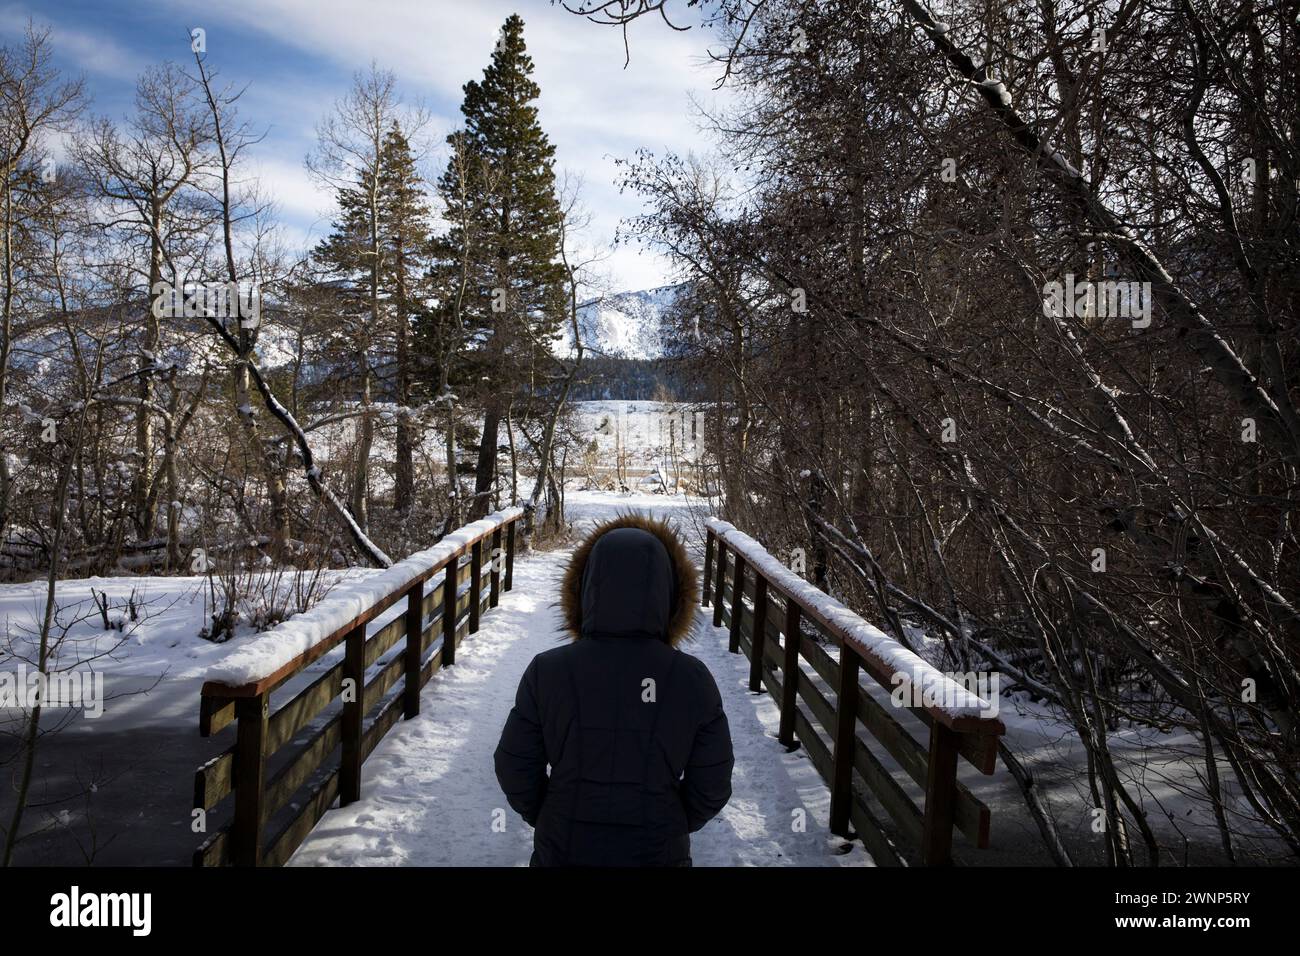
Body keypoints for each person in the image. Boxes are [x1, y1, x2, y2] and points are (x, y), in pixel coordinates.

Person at [493, 512, 734, 866]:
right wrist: (672, 820)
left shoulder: (548, 671)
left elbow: (513, 765)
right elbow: (712, 781)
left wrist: (550, 813)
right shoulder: (690, 679)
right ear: (670, 593)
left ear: (586, 587)